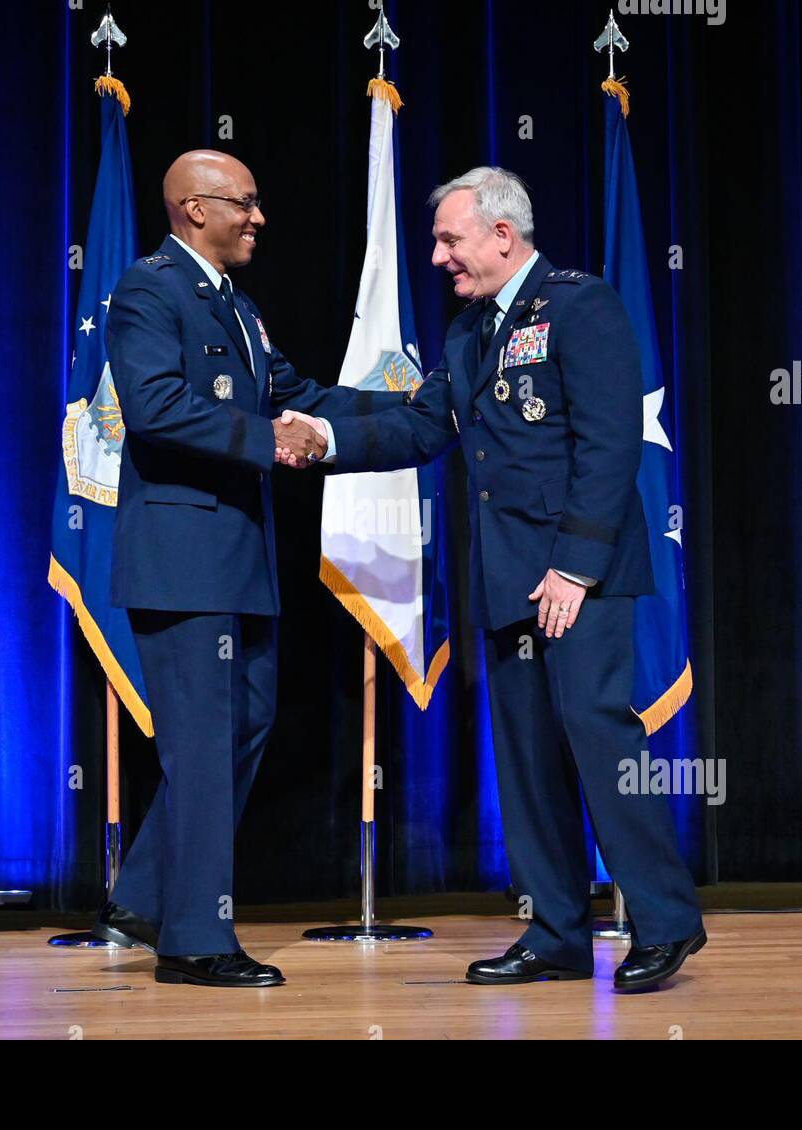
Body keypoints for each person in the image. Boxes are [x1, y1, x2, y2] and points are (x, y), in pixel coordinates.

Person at [283, 167, 706, 990]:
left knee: (600, 744)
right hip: (506, 581)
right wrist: (322, 436)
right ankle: (555, 932)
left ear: (502, 235)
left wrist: (574, 568)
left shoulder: (580, 305)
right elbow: (416, 425)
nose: (439, 255)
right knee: (525, 762)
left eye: (450, 238)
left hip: (578, 580)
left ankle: (664, 922)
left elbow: (611, 445)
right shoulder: (469, 333)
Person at [98, 149, 405, 987]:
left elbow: (293, 392)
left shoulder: (233, 303)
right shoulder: (149, 289)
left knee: (241, 729)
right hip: (182, 560)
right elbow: (155, 405)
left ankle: (146, 896)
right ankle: (196, 941)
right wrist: (263, 438)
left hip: (238, 559)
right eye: (246, 202)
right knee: (200, 748)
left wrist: (410, 409)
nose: (260, 217)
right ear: (195, 209)